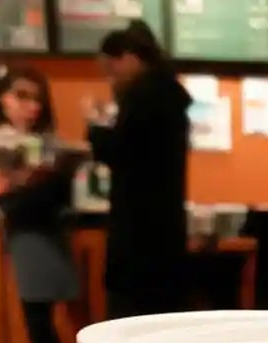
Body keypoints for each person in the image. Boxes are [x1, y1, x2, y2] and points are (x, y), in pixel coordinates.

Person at [87, 20, 191, 319]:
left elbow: (121, 152)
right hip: (165, 236)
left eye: (112, 69)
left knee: (130, 318)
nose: (112, 79)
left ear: (130, 58)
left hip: (137, 238)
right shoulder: (171, 98)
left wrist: (94, 126)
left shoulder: (143, 98)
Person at [0, 68, 80, 343]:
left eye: (37, 98)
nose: (32, 106)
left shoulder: (51, 143)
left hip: (52, 230)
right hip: (23, 233)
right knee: (37, 314)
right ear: (2, 99)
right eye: (22, 96)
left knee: (65, 310)